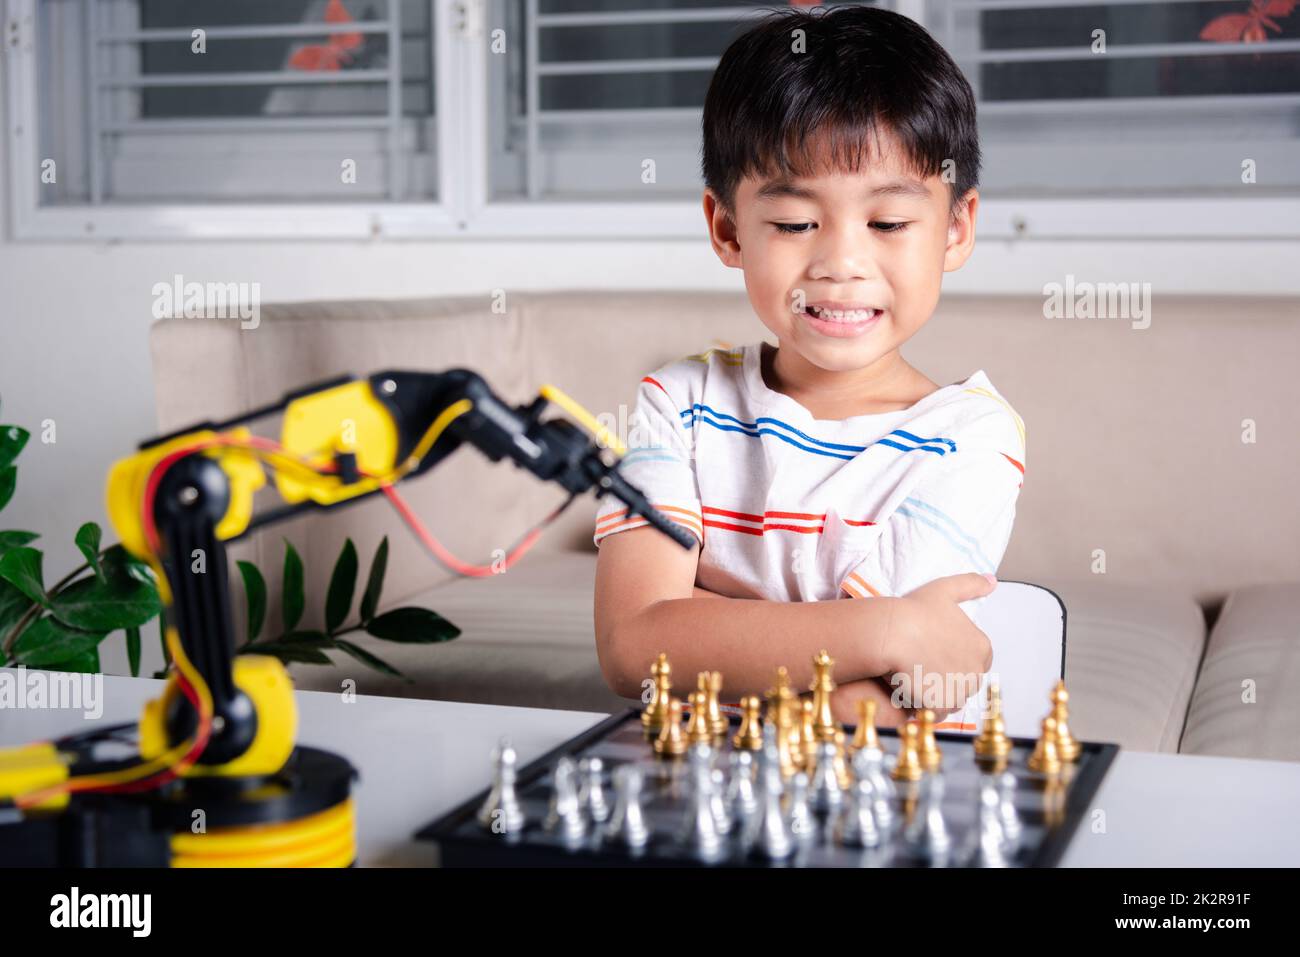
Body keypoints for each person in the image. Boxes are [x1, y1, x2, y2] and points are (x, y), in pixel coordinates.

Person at [593, 5, 1025, 730]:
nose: (841, 263)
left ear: (956, 228)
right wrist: (885, 629)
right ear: (727, 229)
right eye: (795, 224)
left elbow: (890, 697)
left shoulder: (973, 436)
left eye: (887, 223)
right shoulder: (677, 401)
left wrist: (701, 628)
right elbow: (631, 646)